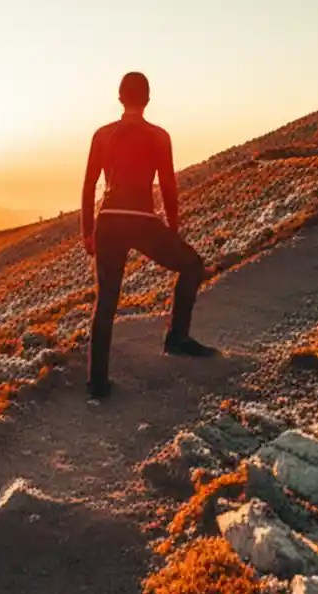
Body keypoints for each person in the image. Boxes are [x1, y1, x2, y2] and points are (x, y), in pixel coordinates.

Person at [80, 71, 217, 400]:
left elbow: (88, 185)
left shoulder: (102, 135)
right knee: (192, 265)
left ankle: (97, 383)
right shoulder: (159, 136)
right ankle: (177, 338)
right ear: (148, 99)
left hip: (109, 221)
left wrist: (88, 231)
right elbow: (168, 185)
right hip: (143, 221)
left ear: (119, 97)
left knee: (106, 301)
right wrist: (172, 227)